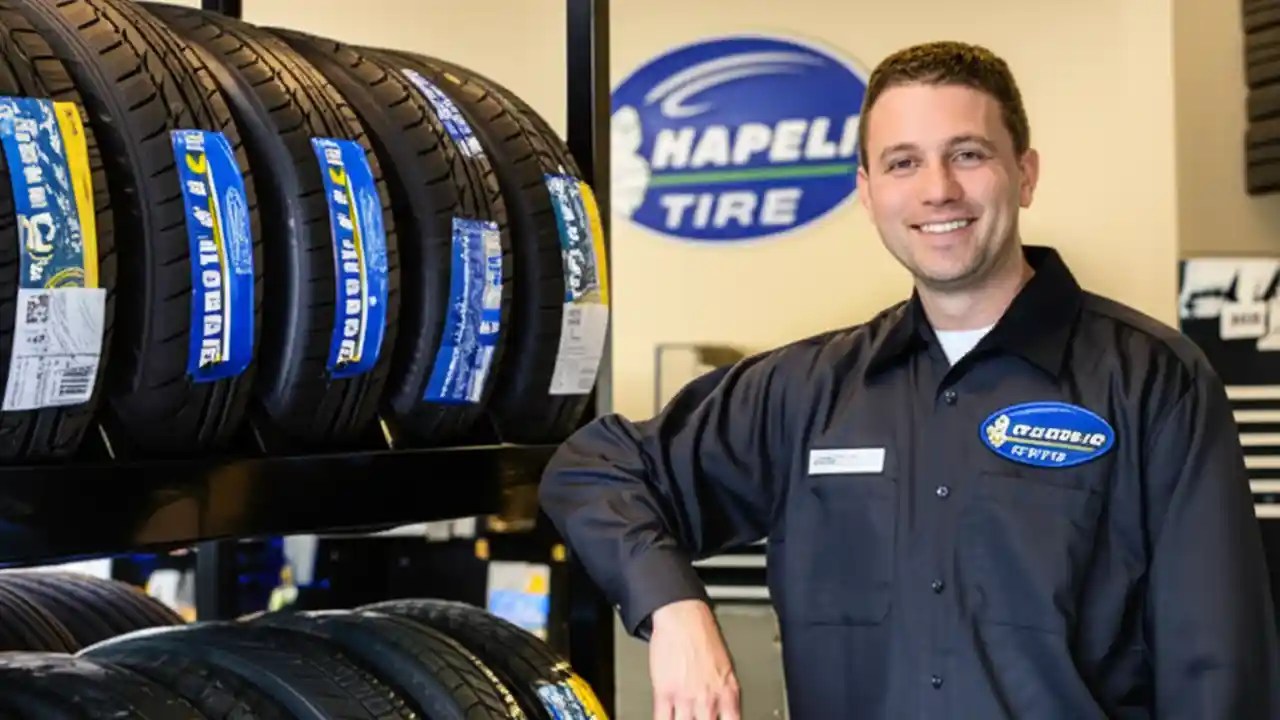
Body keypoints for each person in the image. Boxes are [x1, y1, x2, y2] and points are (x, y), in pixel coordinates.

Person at [539, 40, 1280, 719]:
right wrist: (675, 610)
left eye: (967, 154)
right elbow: (594, 469)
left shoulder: (1153, 380)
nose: (937, 191)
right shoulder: (807, 393)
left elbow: (1217, 667)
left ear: (1024, 173)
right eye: (902, 162)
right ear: (867, 192)